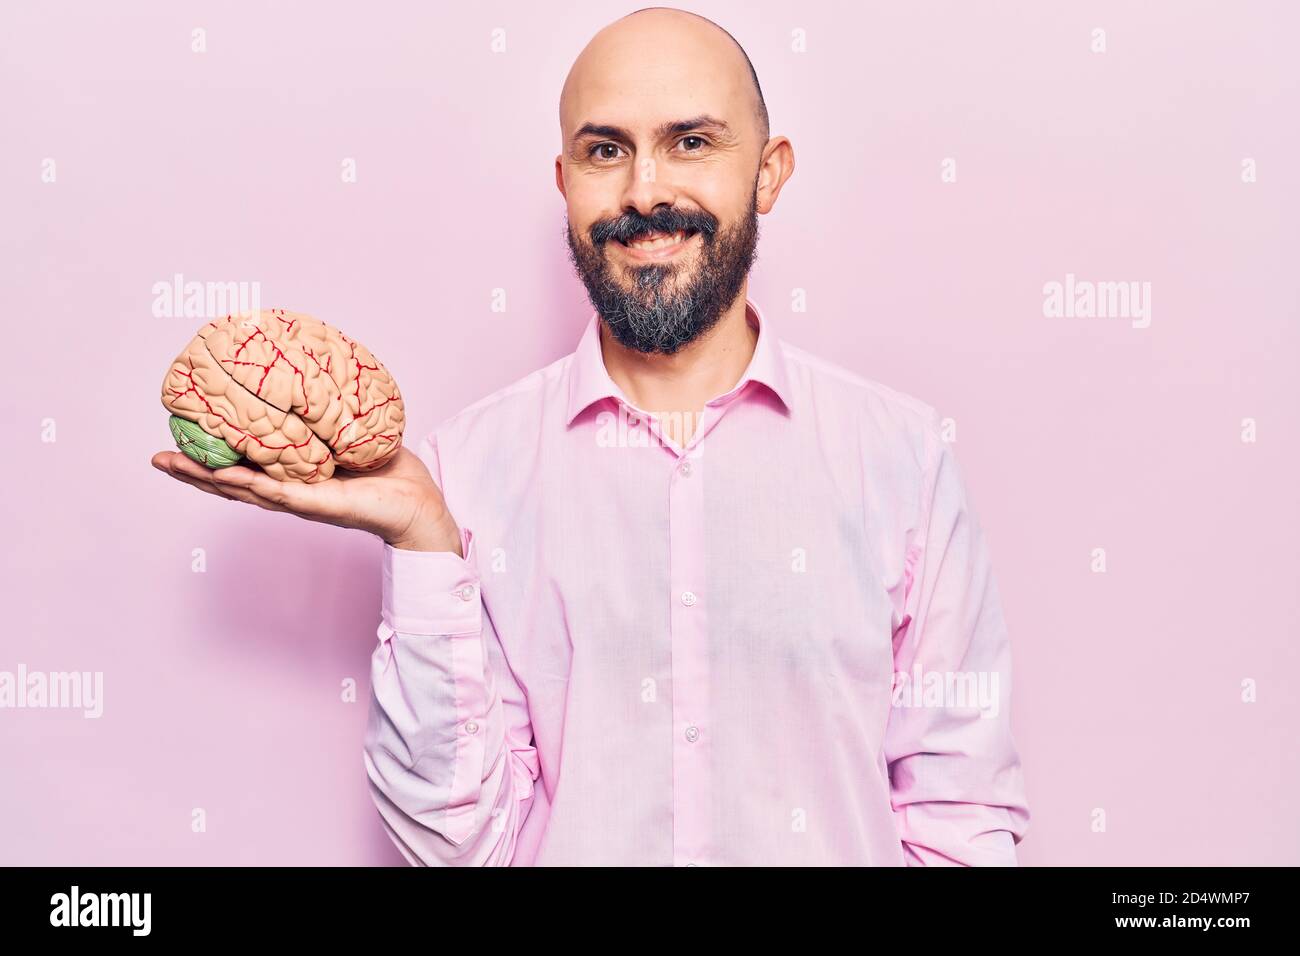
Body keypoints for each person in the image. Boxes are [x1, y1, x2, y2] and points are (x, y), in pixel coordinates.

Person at [151, 7, 1030, 866]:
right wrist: (424, 546)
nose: (645, 190)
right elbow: (456, 845)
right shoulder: (464, 474)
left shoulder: (902, 460)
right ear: (566, 180)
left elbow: (962, 818)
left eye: (691, 141)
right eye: (606, 150)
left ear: (768, 172)